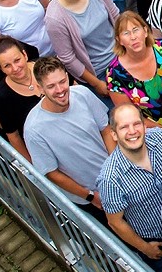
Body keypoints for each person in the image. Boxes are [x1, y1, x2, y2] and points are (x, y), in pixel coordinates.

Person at [24, 56, 116, 224]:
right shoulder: (33, 129)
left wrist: (116, 168)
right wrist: (90, 196)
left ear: (67, 77)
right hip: (92, 197)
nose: (60, 90)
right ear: (40, 88)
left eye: (62, 81)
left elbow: (106, 129)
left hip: (115, 179)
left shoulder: (83, 94)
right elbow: (52, 172)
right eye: (51, 86)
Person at [98, 104, 162, 272]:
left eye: (136, 124)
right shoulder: (110, 179)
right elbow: (115, 222)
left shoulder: (161, 139)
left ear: (144, 125)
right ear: (113, 134)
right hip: (157, 242)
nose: (132, 131)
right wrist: (145, 248)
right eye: (124, 127)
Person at [44, 0, 119, 99]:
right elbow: (68, 58)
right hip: (98, 72)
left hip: (121, 55)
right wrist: (96, 83)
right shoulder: (55, 18)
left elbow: (115, 16)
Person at [106, 11, 162, 129]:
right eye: (126, 33)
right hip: (152, 132)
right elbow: (130, 117)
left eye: (136, 30)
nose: (133, 37)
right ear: (119, 40)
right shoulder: (114, 75)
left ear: (145, 31)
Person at [0, 38, 43, 161]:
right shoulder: (3, 97)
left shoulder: (44, 67)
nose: (15, 68)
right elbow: (13, 136)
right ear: (1, 69)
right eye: (7, 65)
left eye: (17, 60)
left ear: (25, 55)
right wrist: (33, 165)